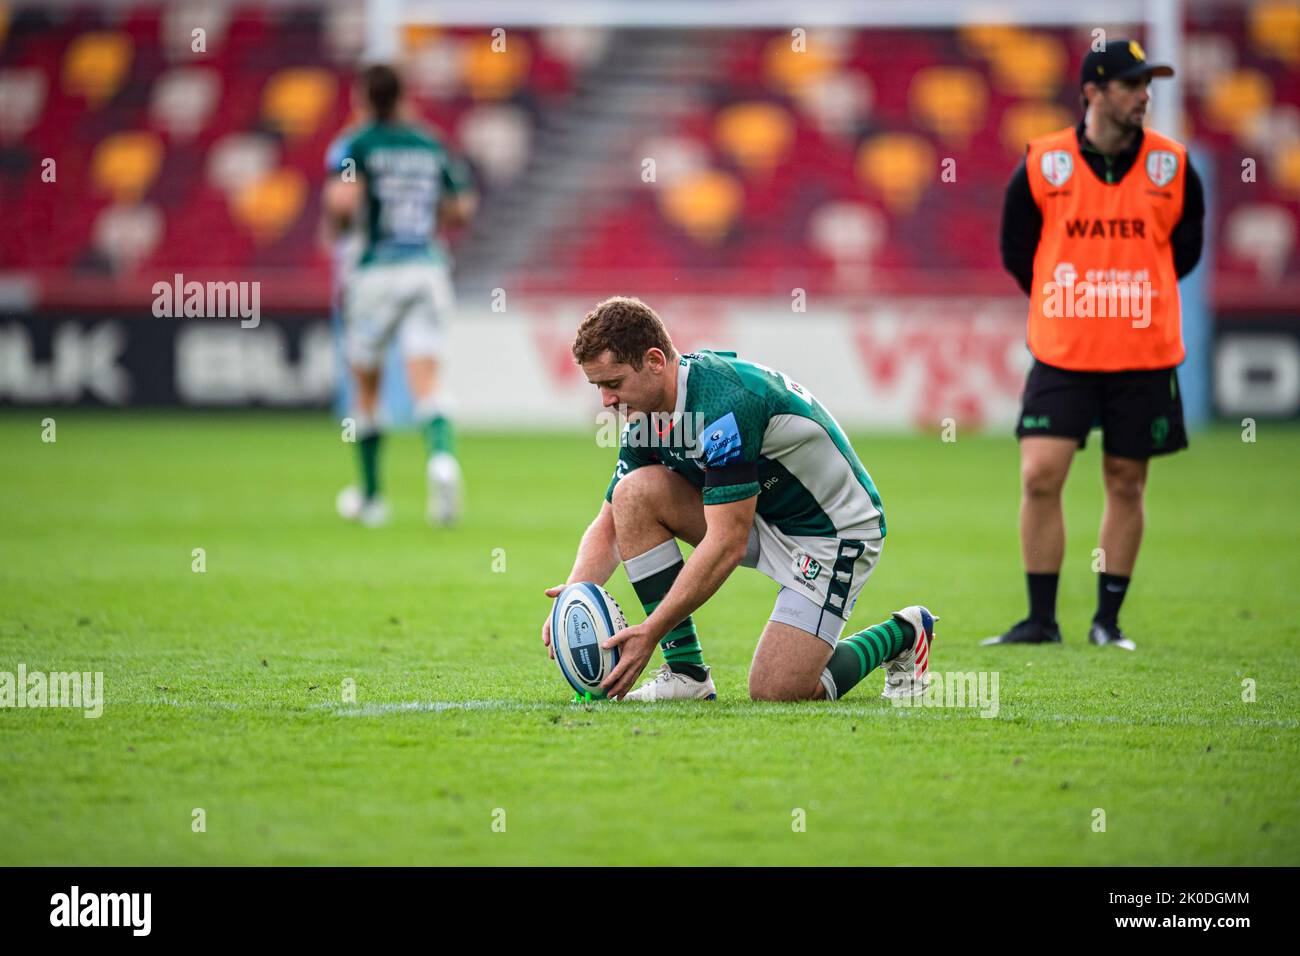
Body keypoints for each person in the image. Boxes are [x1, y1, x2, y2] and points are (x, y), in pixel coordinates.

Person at [540, 296, 937, 702]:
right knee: (633, 495)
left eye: (613, 383)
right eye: (597, 387)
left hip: (831, 534)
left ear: (655, 361)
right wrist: (573, 594)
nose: (606, 401)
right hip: (757, 515)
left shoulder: (724, 406)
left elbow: (728, 542)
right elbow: (609, 524)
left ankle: (905, 634)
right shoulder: (646, 416)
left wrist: (650, 631)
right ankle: (686, 675)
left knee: (777, 691)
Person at [987, 39, 1204, 650]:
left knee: (1126, 481)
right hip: (1064, 349)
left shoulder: (1173, 165)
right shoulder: (1042, 162)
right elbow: (1016, 250)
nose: (1144, 95)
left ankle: (1107, 622)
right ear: (1093, 92)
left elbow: (1184, 251)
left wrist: (1125, 294)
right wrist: (1076, 298)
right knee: (1039, 474)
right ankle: (1040, 620)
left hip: (1142, 352)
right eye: (1132, 84)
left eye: (1147, 84)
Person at [323, 64, 478, 527]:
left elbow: (343, 205)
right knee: (427, 381)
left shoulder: (357, 144)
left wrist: (338, 227)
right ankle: (442, 461)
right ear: (403, 95)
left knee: (366, 388)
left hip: (376, 273)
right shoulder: (430, 144)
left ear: (364, 98)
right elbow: (462, 208)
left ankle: (371, 499)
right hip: (427, 270)